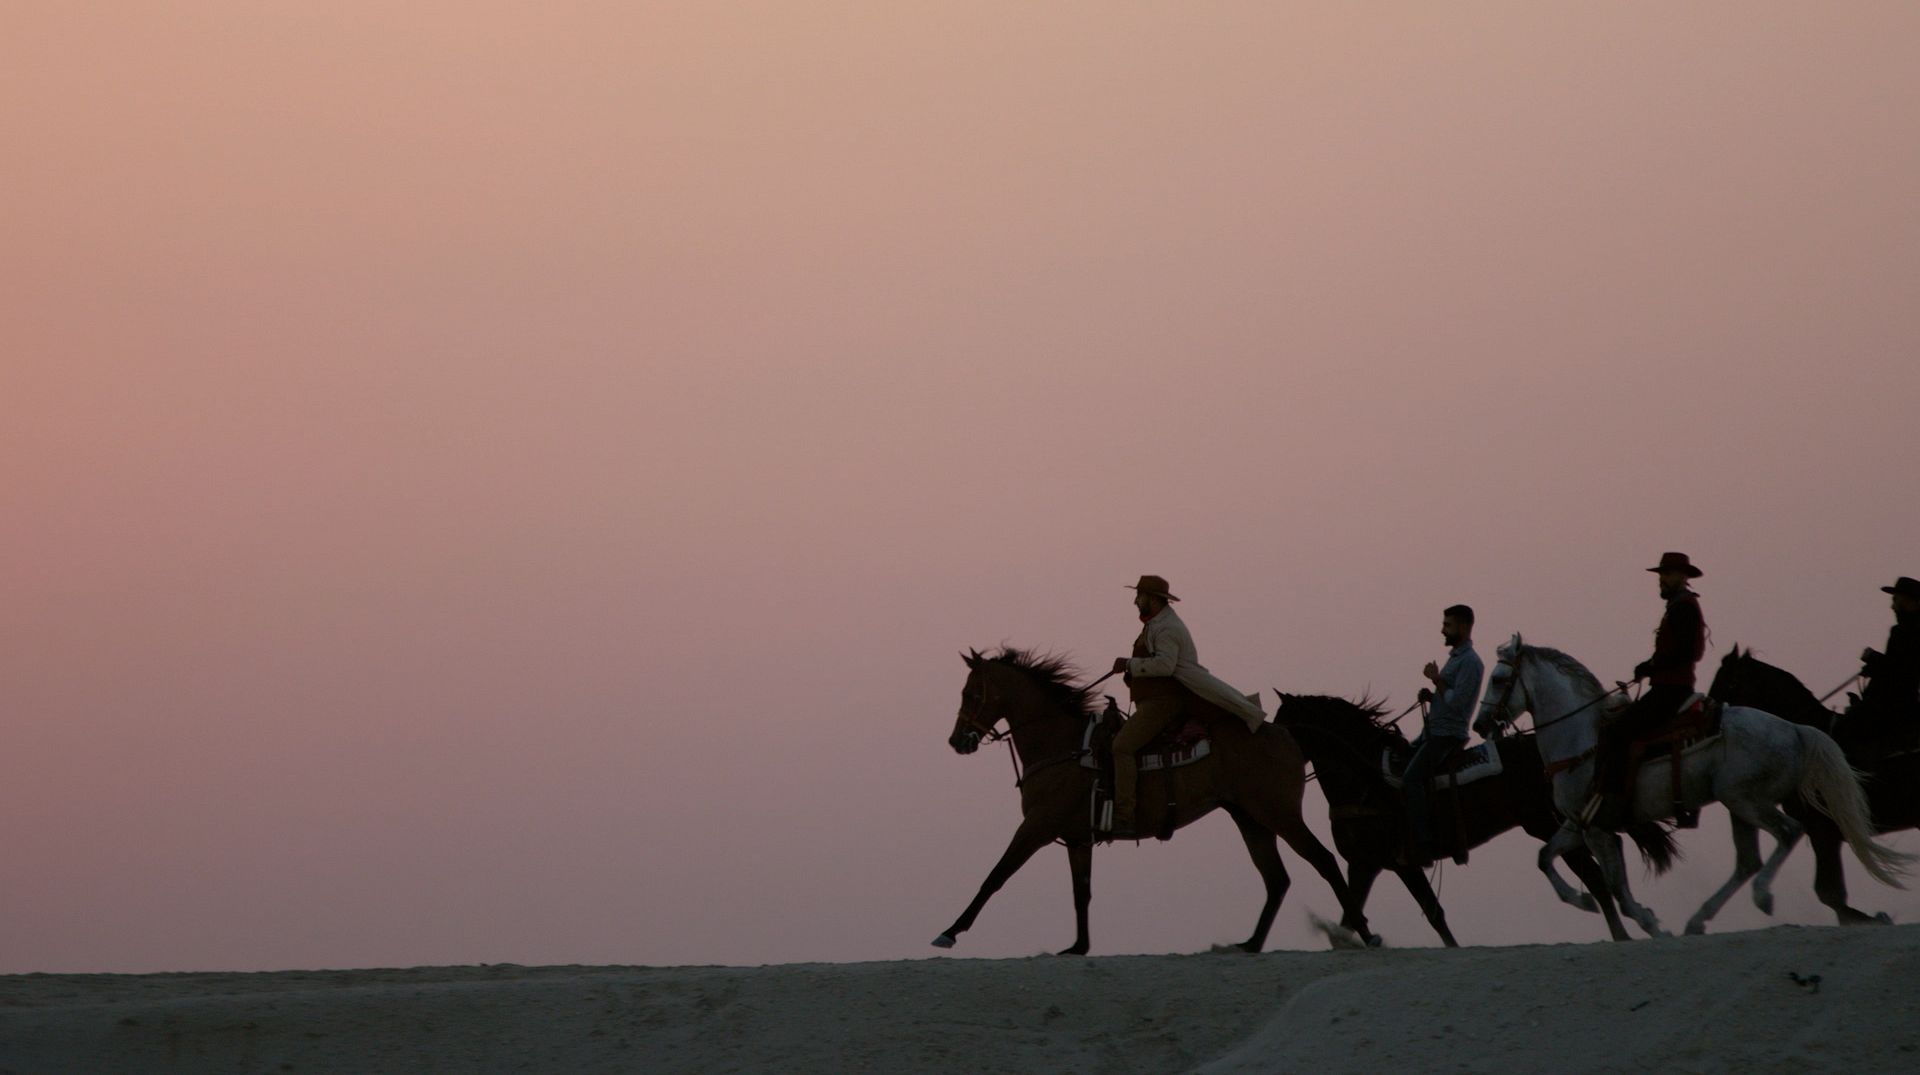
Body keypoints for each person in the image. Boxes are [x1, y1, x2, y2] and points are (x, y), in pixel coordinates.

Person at [1105, 575, 1263, 838]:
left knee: (1121, 747)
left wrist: (1130, 664)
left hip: (1163, 703)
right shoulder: (1156, 624)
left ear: (1153, 599)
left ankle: (1124, 815)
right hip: (1153, 702)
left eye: (1140, 596)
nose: (1136, 601)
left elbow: (1165, 665)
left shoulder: (1167, 628)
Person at [1587, 551, 1707, 825]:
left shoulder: (1684, 608)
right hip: (1669, 687)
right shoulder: (1679, 606)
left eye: (1667, 574)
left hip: (1671, 690)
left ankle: (1614, 802)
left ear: (1682, 576)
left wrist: (1652, 665)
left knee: (1617, 732)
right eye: (1661, 574)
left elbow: (1687, 652)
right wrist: (1651, 666)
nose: (1661, 580)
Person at [1403, 604, 1484, 861]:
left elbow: (1458, 703)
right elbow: (1447, 696)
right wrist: (1432, 695)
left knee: (1411, 780)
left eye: (1447, 625)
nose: (1443, 630)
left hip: (1447, 736)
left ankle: (1425, 844)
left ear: (1463, 626)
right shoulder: (1457, 658)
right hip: (1433, 733)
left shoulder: (1471, 662)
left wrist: (1436, 680)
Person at [1851, 575, 1920, 745]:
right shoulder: (1900, 631)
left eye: (1896, 600)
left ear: (1912, 602)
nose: (1892, 606)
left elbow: (1903, 672)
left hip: (1896, 705)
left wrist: (1873, 658)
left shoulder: (1908, 632)